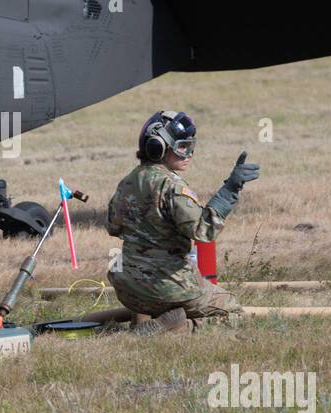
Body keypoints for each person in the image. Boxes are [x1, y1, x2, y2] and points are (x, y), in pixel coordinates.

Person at [105, 110, 259, 335]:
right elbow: (203, 230)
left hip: (129, 289)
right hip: (169, 288)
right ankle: (177, 327)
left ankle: (145, 322)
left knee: (153, 297)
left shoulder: (128, 181)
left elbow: (113, 226)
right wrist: (229, 190)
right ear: (159, 148)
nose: (189, 153)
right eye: (182, 147)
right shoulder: (172, 187)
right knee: (234, 313)